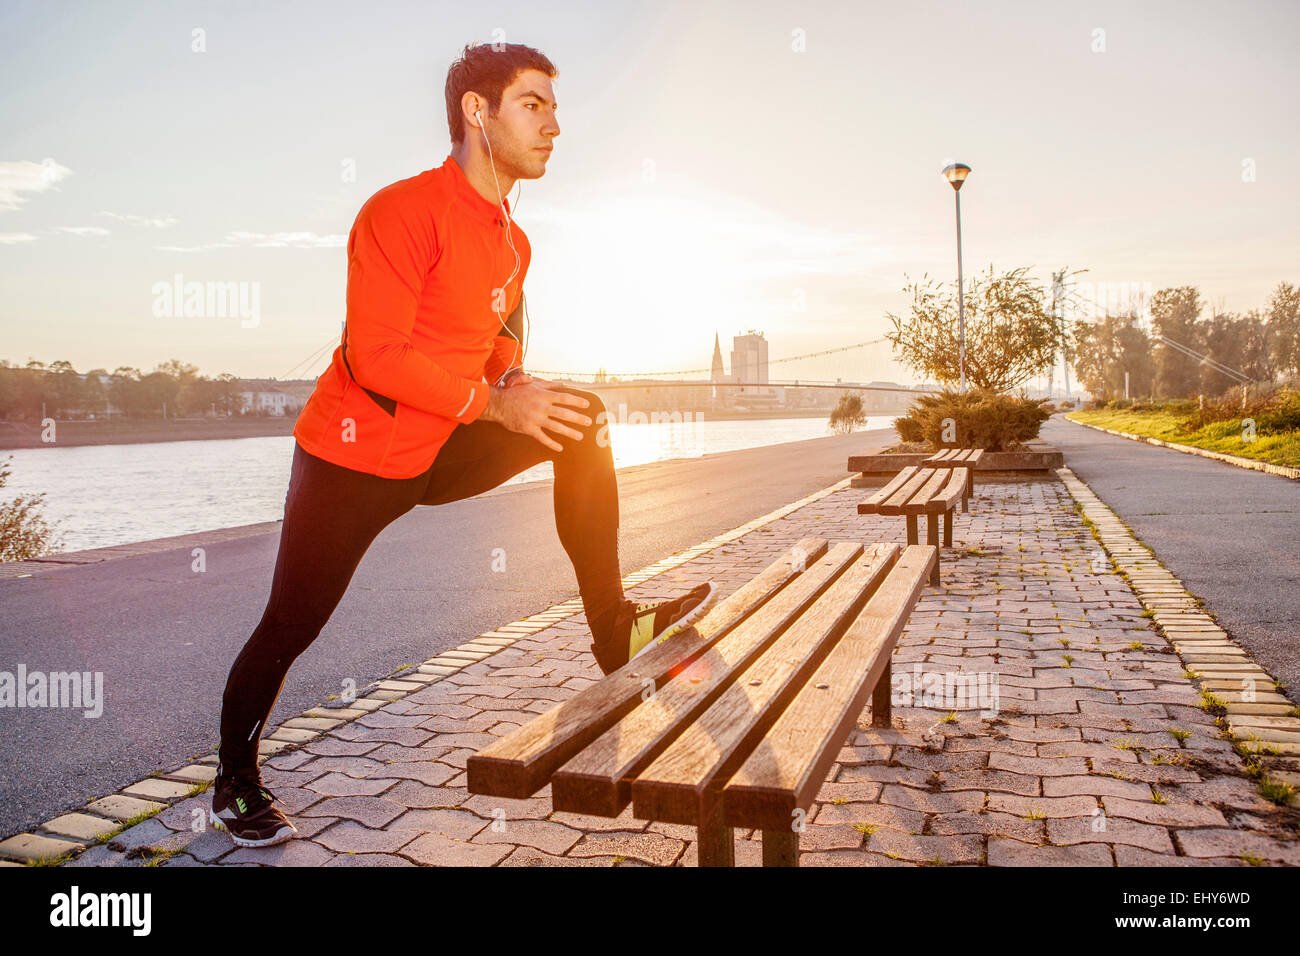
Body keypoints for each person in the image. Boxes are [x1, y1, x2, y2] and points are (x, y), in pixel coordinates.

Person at [210, 42, 717, 848]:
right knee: (291, 625)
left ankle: (613, 630)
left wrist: (513, 383)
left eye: (554, 105)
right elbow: (377, 355)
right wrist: (495, 405)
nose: (555, 124)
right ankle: (234, 778)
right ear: (477, 113)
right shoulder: (400, 212)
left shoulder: (514, 241)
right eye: (534, 104)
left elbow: (494, 344)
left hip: (441, 446)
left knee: (579, 418)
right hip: (353, 459)